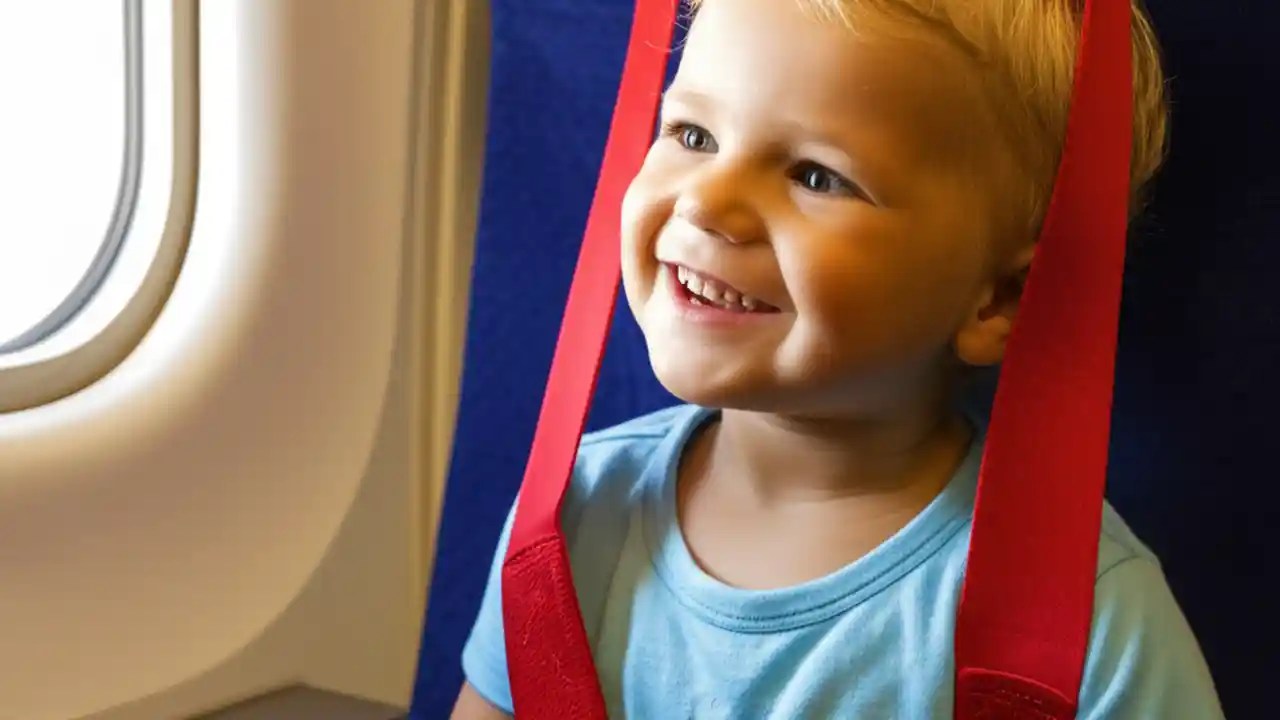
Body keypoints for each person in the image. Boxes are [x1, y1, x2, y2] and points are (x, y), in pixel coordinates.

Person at [451, 0, 1224, 716]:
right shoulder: (574, 521)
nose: (706, 204)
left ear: (1002, 299)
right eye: (692, 135)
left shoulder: (1076, 625)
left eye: (816, 176)